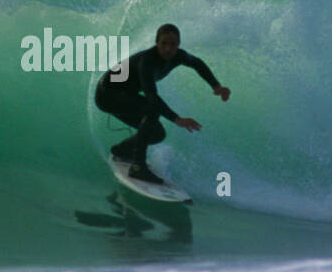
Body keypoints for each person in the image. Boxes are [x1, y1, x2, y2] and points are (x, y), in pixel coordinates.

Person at [94, 23, 230, 184]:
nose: (168, 49)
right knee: (152, 111)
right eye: (164, 43)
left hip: (125, 94)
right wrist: (177, 119)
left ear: (178, 45)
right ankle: (138, 168)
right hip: (107, 93)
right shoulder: (147, 62)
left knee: (157, 134)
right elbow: (152, 98)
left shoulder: (179, 56)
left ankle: (122, 150)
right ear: (156, 43)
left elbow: (197, 63)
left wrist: (216, 86)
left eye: (172, 44)